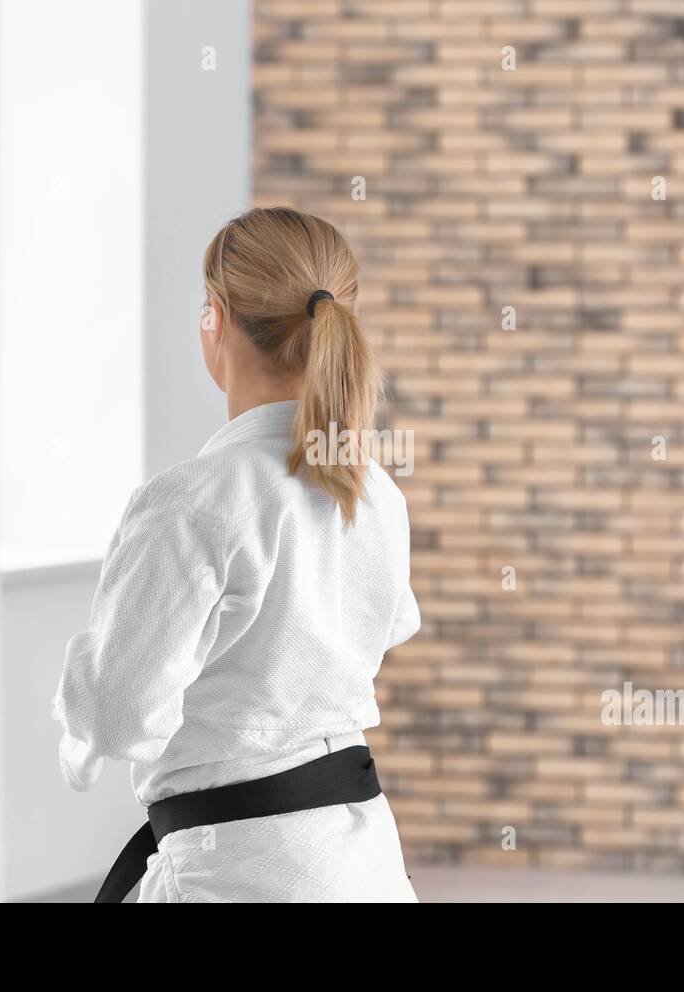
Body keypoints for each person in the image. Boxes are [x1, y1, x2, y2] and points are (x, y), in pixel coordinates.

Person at [52, 207, 420, 902]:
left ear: (213, 318)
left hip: (239, 873)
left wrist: (79, 711)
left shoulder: (190, 502)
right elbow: (393, 619)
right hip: (363, 861)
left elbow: (117, 713)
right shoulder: (374, 490)